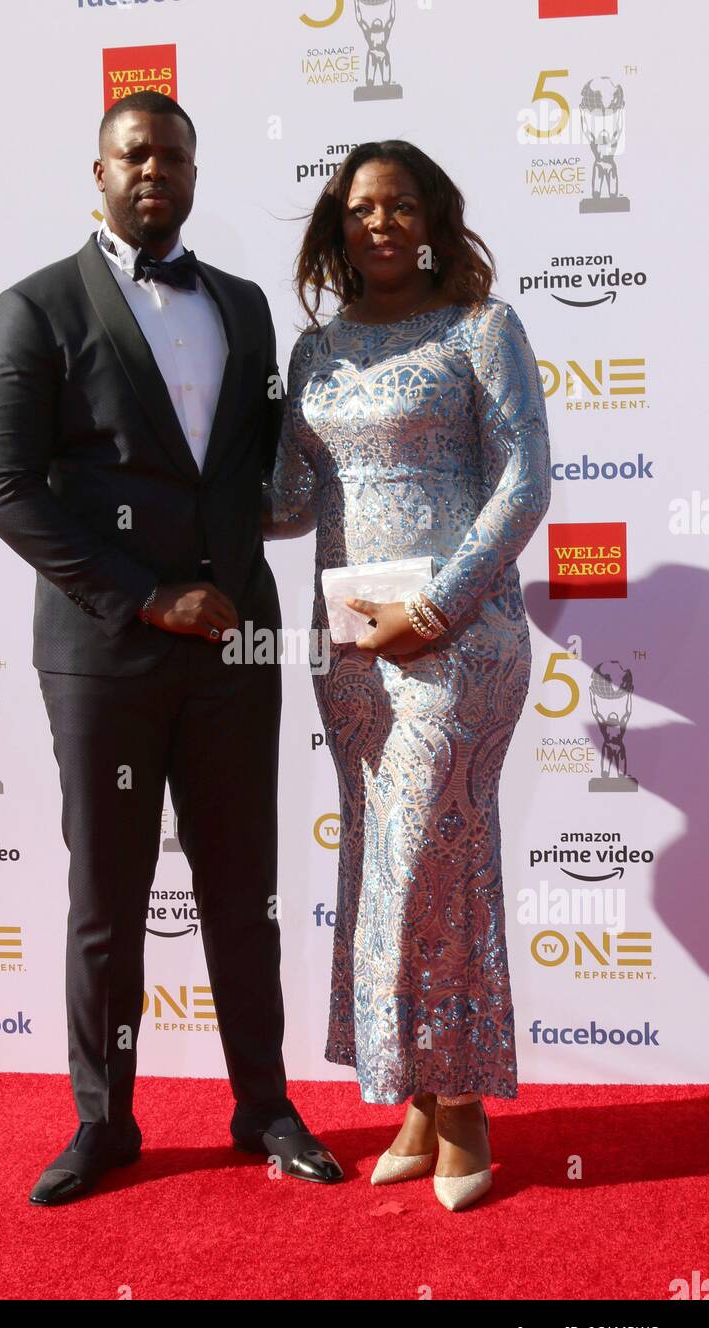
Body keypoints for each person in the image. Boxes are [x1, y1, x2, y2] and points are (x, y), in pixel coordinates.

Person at [0, 92, 343, 1205]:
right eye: (134, 154)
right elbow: (3, 487)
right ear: (97, 171)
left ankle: (264, 1105)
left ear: (191, 172)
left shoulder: (241, 308)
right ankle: (104, 1120)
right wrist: (143, 596)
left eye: (172, 156)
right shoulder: (33, 307)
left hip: (234, 645)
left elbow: (266, 472)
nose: (153, 171)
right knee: (107, 896)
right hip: (104, 653)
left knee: (244, 890)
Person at [263, 140, 551, 1211]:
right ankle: (421, 1101)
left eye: (396, 206)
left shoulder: (483, 326)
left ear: (430, 217)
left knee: (434, 858)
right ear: (336, 228)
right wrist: (160, 481)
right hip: (348, 651)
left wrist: (433, 606)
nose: (376, 224)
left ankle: (463, 1100)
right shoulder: (317, 353)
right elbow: (290, 499)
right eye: (356, 209)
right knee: (383, 873)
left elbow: (523, 480)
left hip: (455, 639)